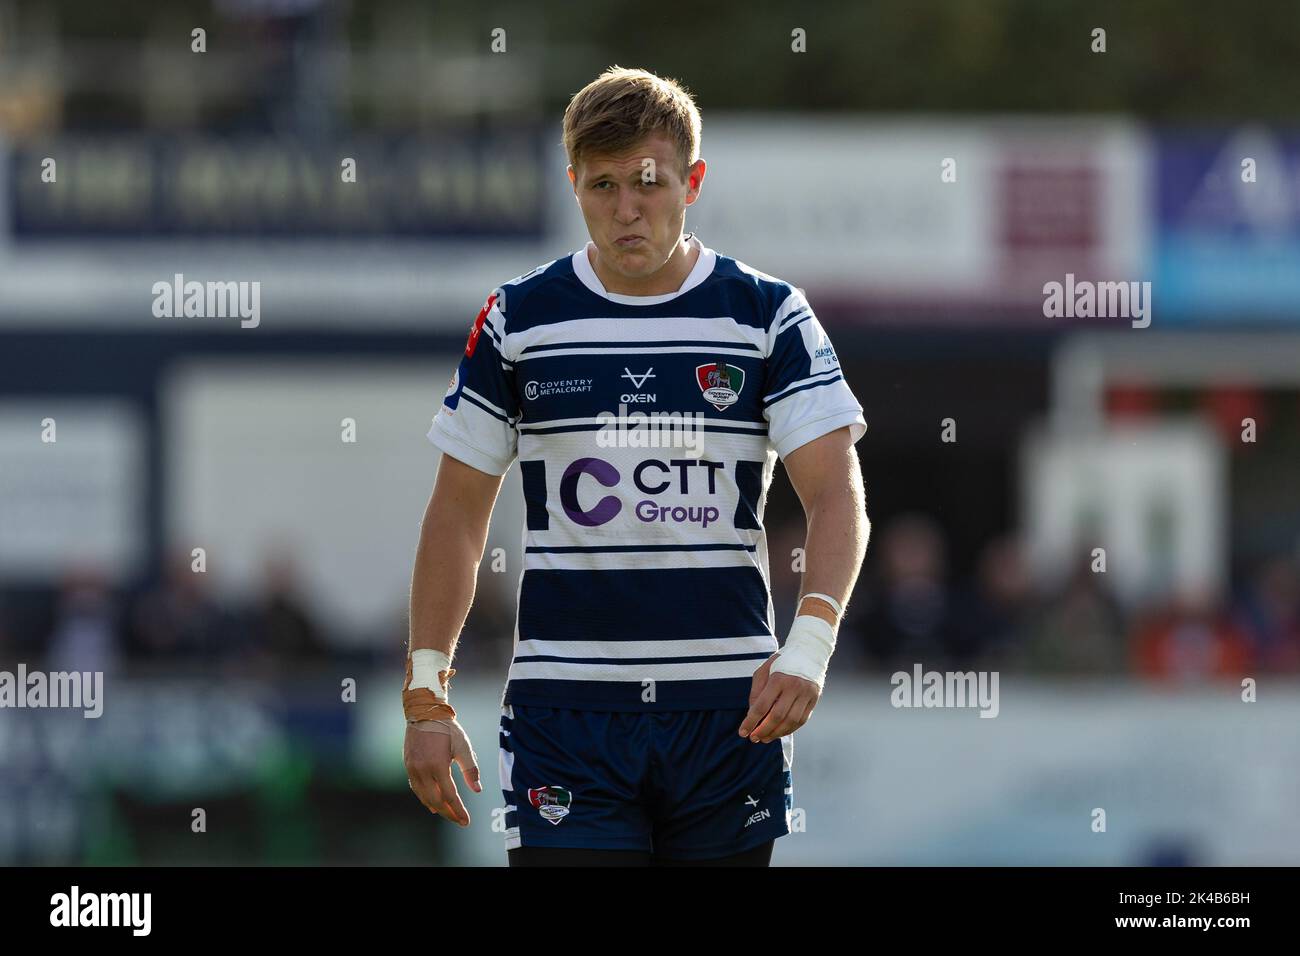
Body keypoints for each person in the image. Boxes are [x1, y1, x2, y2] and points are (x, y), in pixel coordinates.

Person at [403, 67, 870, 867]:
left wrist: (810, 645)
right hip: (567, 719)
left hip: (729, 713)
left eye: (648, 184)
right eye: (603, 185)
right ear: (574, 185)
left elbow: (836, 493)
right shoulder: (519, 317)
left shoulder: (768, 315)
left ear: (691, 181)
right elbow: (456, 514)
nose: (626, 209)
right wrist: (424, 694)